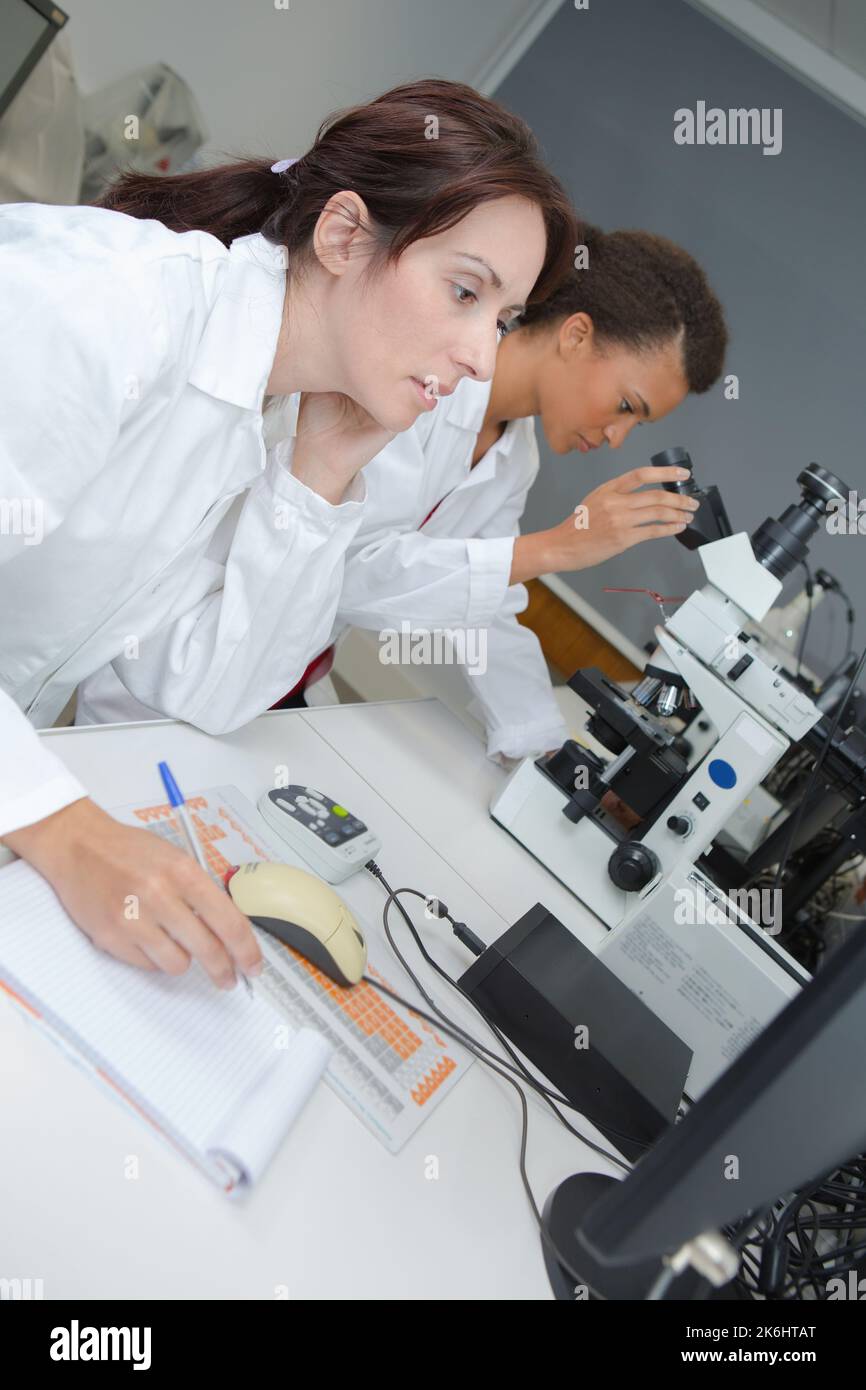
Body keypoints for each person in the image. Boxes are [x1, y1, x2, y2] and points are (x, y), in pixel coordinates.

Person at [0, 77, 578, 983]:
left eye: (504, 321)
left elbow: (200, 694)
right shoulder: (110, 305)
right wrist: (60, 826)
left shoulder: (269, 418)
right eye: (464, 292)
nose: (481, 358)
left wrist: (319, 476)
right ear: (346, 237)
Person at [77, 225, 727, 766]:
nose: (616, 437)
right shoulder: (416, 379)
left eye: (635, 426)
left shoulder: (513, 453)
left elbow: (487, 610)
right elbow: (349, 572)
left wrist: (546, 753)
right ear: (577, 335)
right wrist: (558, 549)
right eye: (625, 406)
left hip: (279, 676)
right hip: (177, 666)